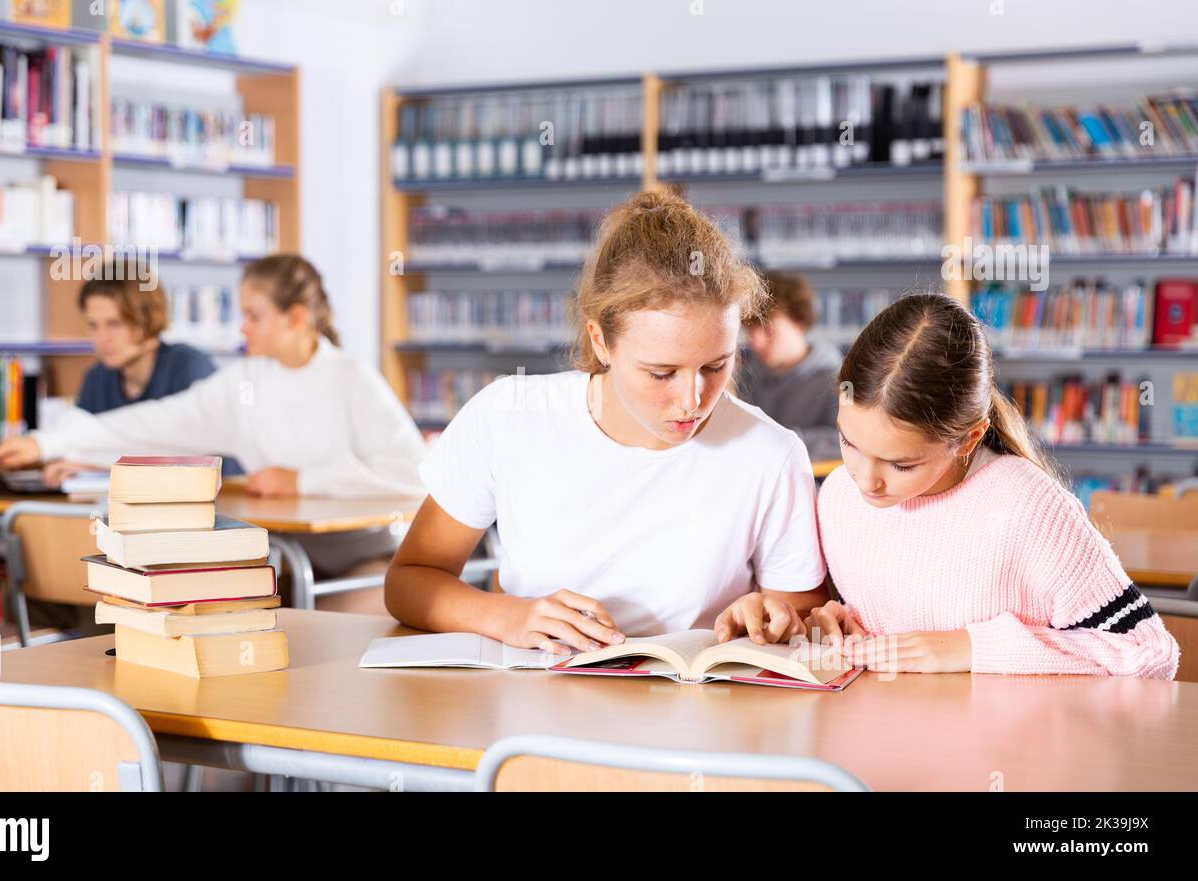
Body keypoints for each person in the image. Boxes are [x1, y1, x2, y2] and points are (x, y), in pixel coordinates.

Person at [385, 191, 830, 653]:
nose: (692, 400)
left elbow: (800, 613)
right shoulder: (507, 415)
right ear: (600, 342)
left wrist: (769, 617)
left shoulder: (770, 454)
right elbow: (410, 580)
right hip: (533, 705)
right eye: (661, 373)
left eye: (716, 366)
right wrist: (508, 616)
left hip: (695, 713)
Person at [722, 291, 1179, 679]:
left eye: (901, 464)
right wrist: (831, 625)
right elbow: (889, 635)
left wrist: (971, 648)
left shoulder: (1029, 508)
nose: (866, 479)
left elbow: (1150, 652)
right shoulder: (839, 497)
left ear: (969, 438)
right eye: (848, 442)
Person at [0, 254, 426, 587]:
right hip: (279, 558)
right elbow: (153, 423)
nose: (242, 328)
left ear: (295, 318)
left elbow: (412, 473)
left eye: (253, 316)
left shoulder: (351, 378)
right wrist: (46, 445)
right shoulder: (245, 382)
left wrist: (302, 481)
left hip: (366, 559)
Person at [44, 264, 242, 485]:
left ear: (147, 319)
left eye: (115, 324)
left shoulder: (189, 366)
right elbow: (79, 445)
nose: (101, 338)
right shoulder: (97, 377)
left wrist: (95, 466)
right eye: (93, 325)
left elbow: (193, 460)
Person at [738, 272, 841, 462]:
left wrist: (777, 440)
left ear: (800, 322)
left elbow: (847, 442)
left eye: (768, 329)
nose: (756, 341)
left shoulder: (841, 382)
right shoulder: (744, 377)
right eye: (750, 329)